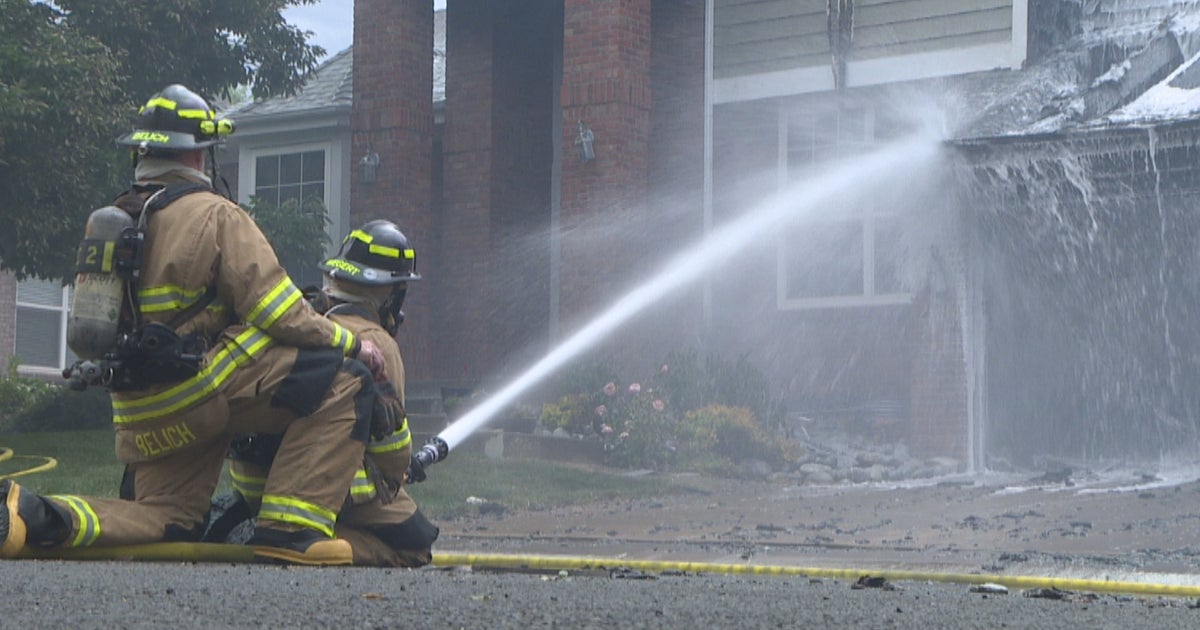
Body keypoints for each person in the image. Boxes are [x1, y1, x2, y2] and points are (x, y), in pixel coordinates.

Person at [0, 84, 389, 566]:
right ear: (201, 158)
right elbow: (282, 314)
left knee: (168, 518)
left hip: (142, 410)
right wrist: (352, 341)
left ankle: (31, 515)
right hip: (201, 392)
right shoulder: (217, 216)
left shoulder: (118, 219)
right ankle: (291, 533)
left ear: (144, 153)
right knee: (344, 379)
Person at [219, 220, 439, 567]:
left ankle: (256, 528)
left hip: (253, 483)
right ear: (391, 292)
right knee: (416, 542)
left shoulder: (306, 327)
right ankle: (318, 541)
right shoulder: (375, 343)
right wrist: (398, 472)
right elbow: (390, 454)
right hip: (325, 490)